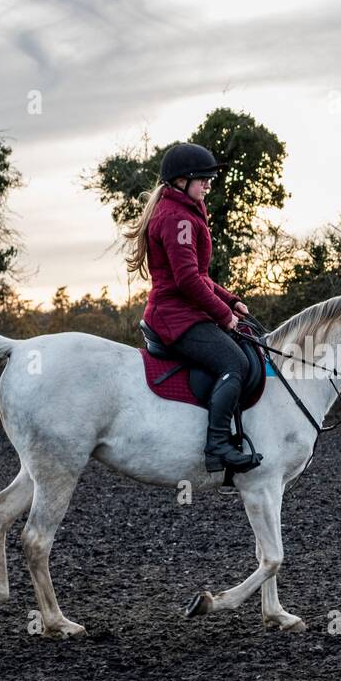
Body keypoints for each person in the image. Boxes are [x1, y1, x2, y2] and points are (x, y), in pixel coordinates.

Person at [123, 142, 263, 473]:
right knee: (235, 362)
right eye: (202, 178)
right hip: (175, 316)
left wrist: (231, 301)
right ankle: (217, 447)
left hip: (184, 312)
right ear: (182, 180)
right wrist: (223, 315)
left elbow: (199, 275)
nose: (208, 184)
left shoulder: (184, 213)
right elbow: (187, 281)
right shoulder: (178, 219)